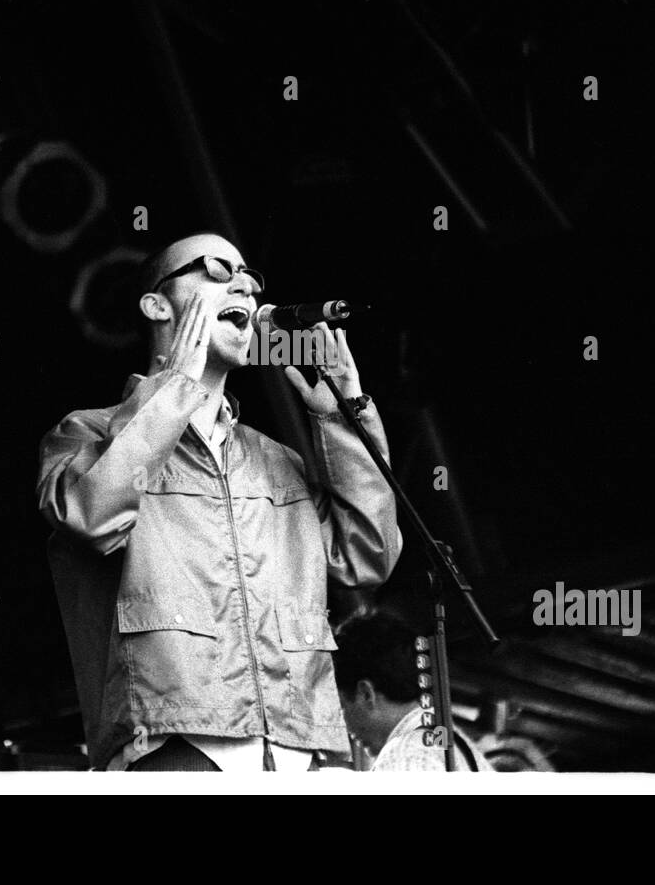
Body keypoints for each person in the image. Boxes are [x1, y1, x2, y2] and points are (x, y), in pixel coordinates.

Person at [37, 232, 402, 771]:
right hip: (176, 745)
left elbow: (366, 555)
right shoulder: (86, 435)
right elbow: (91, 517)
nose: (245, 285)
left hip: (301, 748)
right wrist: (175, 387)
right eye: (214, 269)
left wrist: (344, 416)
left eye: (250, 277)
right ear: (157, 304)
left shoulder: (278, 461)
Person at [333, 609, 492, 771]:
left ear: (366, 694)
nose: (344, 726)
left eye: (341, 707)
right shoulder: (458, 746)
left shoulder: (402, 757)